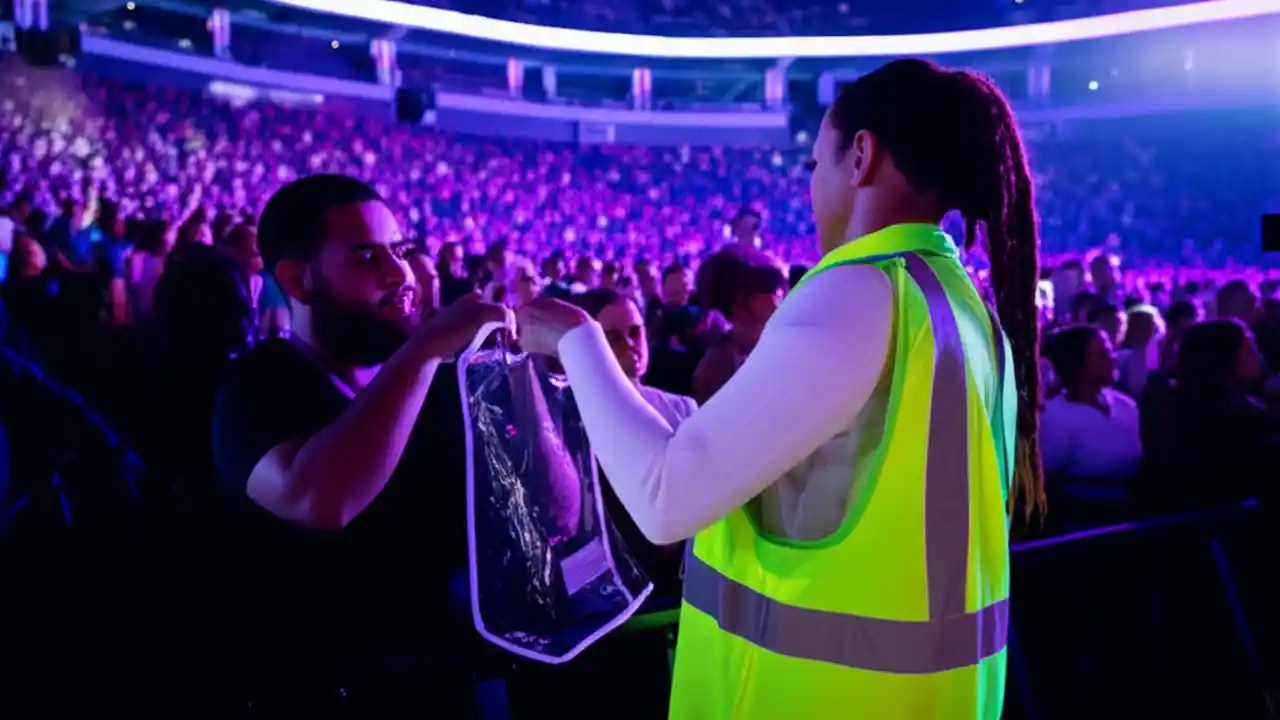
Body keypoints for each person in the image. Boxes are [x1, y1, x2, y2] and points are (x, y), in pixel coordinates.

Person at [518, 58, 1040, 719]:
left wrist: (576, 339)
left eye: (815, 165)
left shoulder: (859, 292)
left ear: (861, 154)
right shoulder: (963, 309)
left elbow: (665, 496)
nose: (812, 188)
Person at [211, 174, 508, 714]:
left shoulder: (437, 383)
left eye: (400, 250)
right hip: (316, 694)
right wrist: (422, 351)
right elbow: (319, 499)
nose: (401, 273)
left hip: (444, 690)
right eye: (368, 257)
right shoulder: (257, 385)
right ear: (299, 282)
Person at [1039, 325, 1141, 526]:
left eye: (1111, 351)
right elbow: (1051, 476)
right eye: (1103, 354)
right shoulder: (1055, 414)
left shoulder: (1126, 405)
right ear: (1077, 364)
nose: (1113, 358)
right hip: (1081, 520)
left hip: (1132, 514)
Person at [690, 245, 787, 404]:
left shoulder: (774, 348)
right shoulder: (722, 363)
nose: (781, 294)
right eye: (770, 286)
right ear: (738, 298)